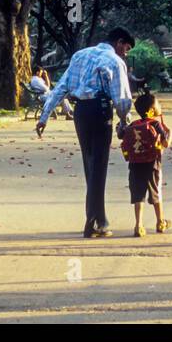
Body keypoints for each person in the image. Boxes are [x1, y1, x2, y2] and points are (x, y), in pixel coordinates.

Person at [37, 27, 135, 238]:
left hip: (81, 113)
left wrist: (44, 116)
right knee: (99, 167)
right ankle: (93, 222)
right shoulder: (115, 61)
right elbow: (122, 99)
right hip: (100, 112)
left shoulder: (80, 56)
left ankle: (99, 219)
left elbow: (61, 87)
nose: (125, 53)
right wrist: (124, 121)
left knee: (90, 165)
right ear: (119, 43)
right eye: (126, 48)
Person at [119, 92, 172, 237]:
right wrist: (170, 132)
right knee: (156, 192)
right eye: (158, 103)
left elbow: (121, 135)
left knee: (138, 194)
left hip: (135, 164)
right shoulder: (155, 123)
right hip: (152, 164)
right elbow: (165, 143)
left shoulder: (133, 125)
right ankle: (160, 222)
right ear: (152, 109)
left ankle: (138, 225)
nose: (159, 105)